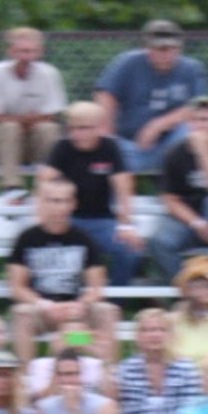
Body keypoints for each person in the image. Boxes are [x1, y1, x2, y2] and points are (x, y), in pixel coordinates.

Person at [6, 180, 114, 365]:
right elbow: (16, 287)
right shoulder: (27, 238)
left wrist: (80, 305)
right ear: (42, 202)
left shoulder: (84, 238)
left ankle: (109, 372)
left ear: (73, 204)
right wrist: (45, 304)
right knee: (21, 313)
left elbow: (97, 287)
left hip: (75, 310)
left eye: (65, 201)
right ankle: (24, 377)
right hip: (40, 311)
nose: (60, 207)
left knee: (107, 311)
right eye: (54, 201)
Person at [45, 99, 142, 288]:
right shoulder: (62, 148)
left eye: (84, 128)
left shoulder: (110, 148)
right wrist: (45, 223)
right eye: (72, 128)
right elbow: (45, 184)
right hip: (66, 220)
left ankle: (114, 304)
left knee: (129, 250)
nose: (77, 134)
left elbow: (124, 187)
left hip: (103, 221)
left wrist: (126, 226)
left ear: (100, 127)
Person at [94, 17, 208, 173]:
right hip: (128, 144)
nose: (165, 53)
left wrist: (157, 125)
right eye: (159, 48)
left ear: (179, 48)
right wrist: (107, 141)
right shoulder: (127, 63)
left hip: (170, 144)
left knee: (192, 130)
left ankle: (183, 191)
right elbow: (105, 97)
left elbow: (198, 107)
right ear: (147, 48)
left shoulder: (191, 69)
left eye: (170, 48)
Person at [152, 95, 208, 281]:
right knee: (159, 241)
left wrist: (204, 150)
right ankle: (185, 289)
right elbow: (169, 199)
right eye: (200, 120)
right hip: (188, 222)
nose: (206, 125)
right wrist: (196, 222)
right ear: (189, 123)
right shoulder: (174, 152)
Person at [0, 26, 65, 192]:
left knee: (48, 129)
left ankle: (50, 185)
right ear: (9, 51)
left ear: (40, 52)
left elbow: (51, 117)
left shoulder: (50, 74)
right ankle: (11, 188)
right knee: (10, 128)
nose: (27, 57)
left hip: (29, 144)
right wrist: (26, 120)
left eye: (31, 51)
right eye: (21, 51)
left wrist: (12, 118)